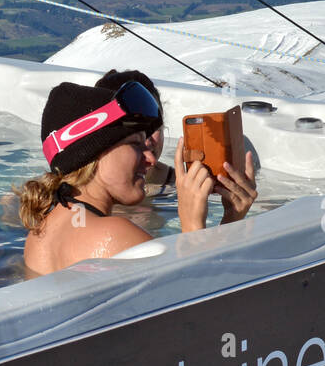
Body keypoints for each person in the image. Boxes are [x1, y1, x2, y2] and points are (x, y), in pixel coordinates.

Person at [17, 80, 257, 276]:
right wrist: (192, 225)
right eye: (134, 144)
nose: (151, 159)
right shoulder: (113, 235)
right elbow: (199, 304)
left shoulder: (41, 229)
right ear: (91, 153)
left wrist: (232, 218)